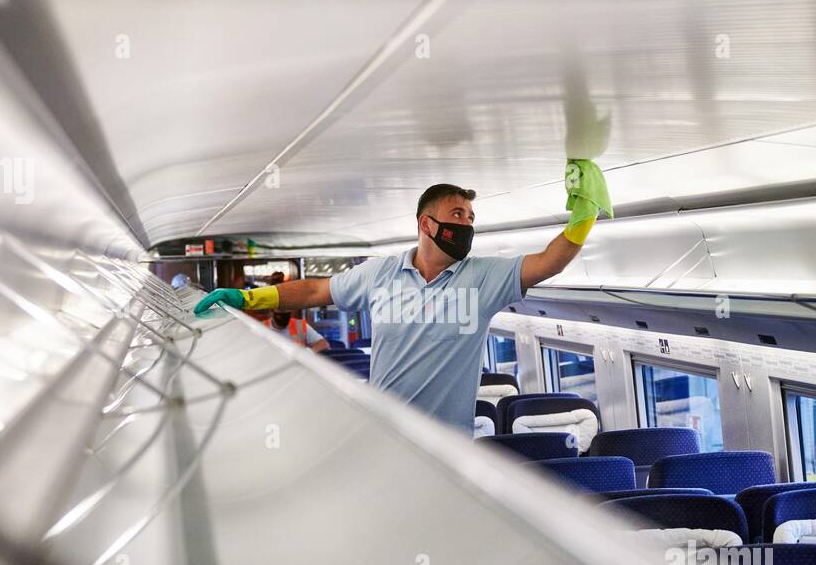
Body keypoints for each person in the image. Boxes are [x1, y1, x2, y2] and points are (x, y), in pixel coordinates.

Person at [194, 163, 611, 432]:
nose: (467, 225)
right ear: (426, 224)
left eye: (471, 218)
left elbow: (550, 261)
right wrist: (249, 299)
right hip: (384, 435)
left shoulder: (486, 277)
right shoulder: (380, 272)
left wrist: (585, 212)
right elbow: (316, 290)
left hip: (452, 450)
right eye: (457, 216)